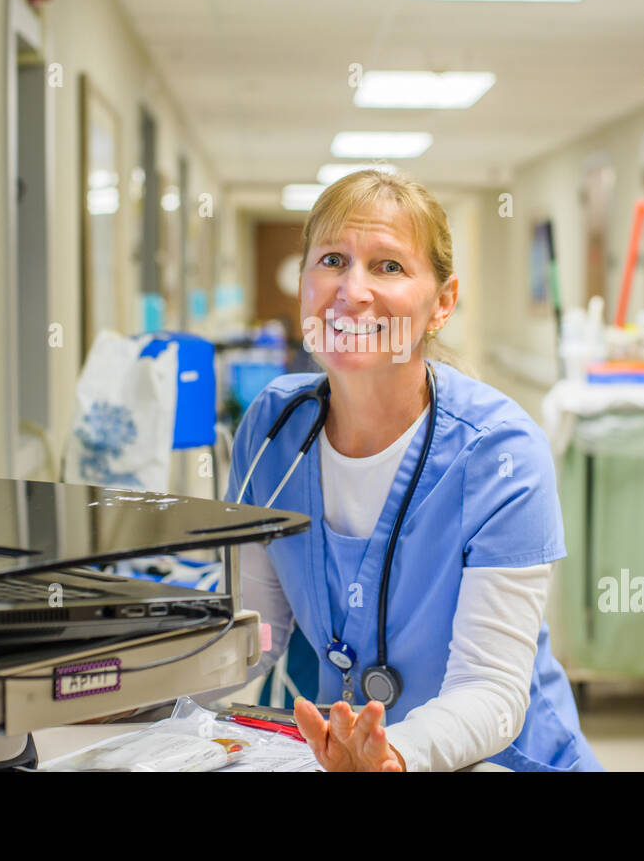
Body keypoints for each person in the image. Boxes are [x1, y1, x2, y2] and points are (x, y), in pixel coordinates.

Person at [227, 169, 602, 772]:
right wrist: (136, 689)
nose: (352, 291)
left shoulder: (502, 454)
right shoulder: (272, 429)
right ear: (303, 284)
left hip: (499, 760)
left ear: (443, 303)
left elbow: (490, 687)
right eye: (331, 259)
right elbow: (255, 633)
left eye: (388, 267)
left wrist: (395, 753)